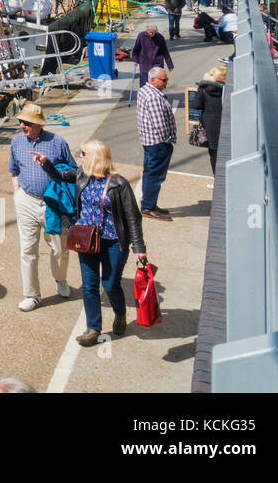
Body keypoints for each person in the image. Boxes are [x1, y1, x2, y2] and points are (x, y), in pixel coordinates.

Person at [39, 140, 147, 347]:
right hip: (85, 238)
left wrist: (139, 248)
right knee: (89, 286)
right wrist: (46, 163)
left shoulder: (119, 184)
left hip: (113, 242)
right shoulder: (81, 174)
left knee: (110, 284)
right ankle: (93, 328)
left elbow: (133, 217)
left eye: (83, 153)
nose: (80, 156)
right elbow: (59, 177)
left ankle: (120, 313)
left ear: (95, 157)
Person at [7, 104, 74, 311]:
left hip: (52, 204)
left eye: (26, 122)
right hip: (26, 200)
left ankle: (60, 280)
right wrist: (17, 191)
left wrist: (49, 166)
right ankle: (32, 295)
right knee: (27, 250)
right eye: (20, 121)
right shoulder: (16, 142)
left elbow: (73, 172)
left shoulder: (57, 143)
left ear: (38, 124)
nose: (22, 125)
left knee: (59, 249)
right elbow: (14, 170)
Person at [136, 66, 177, 221]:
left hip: (149, 141)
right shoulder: (154, 97)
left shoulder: (145, 91)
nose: (167, 82)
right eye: (164, 80)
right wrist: (168, 139)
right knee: (155, 176)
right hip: (158, 143)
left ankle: (149, 203)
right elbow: (160, 124)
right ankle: (148, 206)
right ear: (153, 80)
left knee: (149, 173)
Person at [191, 65, 226, 183]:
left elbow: (196, 105)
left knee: (214, 153)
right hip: (224, 122)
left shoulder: (203, 88)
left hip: (209, 125)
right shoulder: (226, 89)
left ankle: (217, 180)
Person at [130, 23, 173, 89]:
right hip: (144, 63)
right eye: (150, 32)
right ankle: (143, 96)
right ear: (147, 30)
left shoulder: (160, 37)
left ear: (156, 32)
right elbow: (136, 49)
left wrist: (170, 65)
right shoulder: (141, 36)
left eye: (153, 33)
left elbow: (165, 52)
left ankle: (157, 96)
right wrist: (135, 60)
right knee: (144, 83)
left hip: (157, 63)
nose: (151, 34)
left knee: (157, 83)